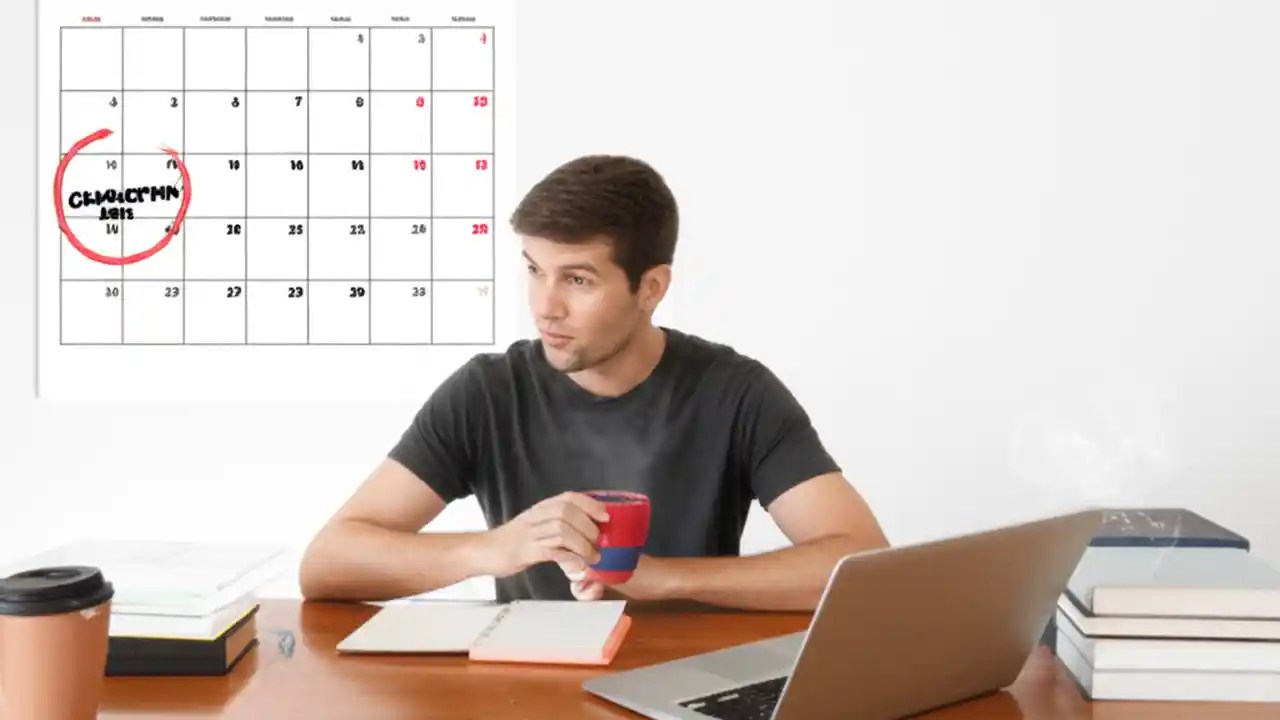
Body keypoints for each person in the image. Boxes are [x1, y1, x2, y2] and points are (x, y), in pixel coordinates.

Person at [299, 155, 889, 611]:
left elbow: (861, 562)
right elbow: (327, 564)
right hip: (527, 690)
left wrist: (663, 578)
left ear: (651, 288)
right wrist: (492, 550)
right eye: (535, 271)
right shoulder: (487, 392)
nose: (545, 306)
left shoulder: (736, 393)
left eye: (578, 280)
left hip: (682, 681)